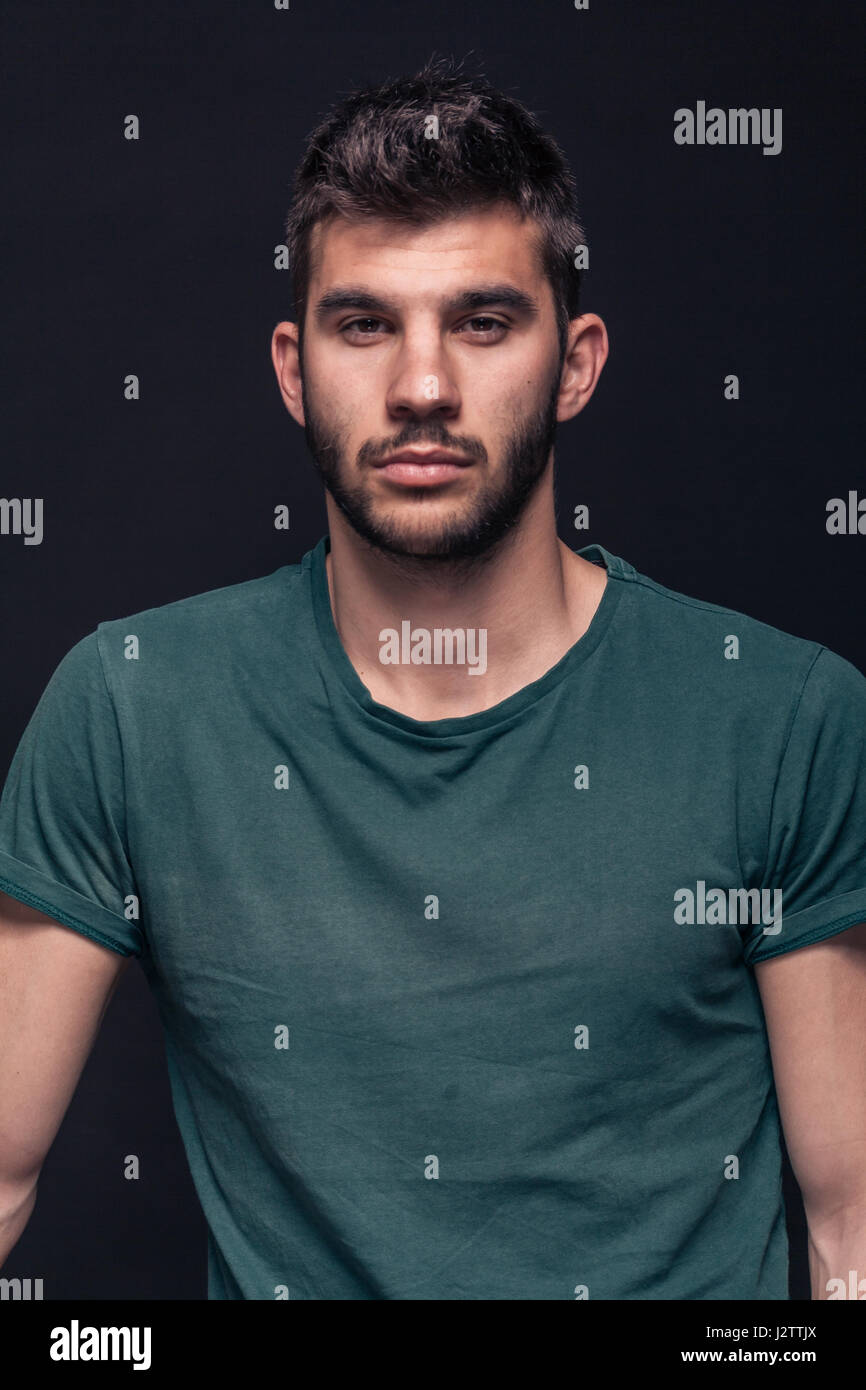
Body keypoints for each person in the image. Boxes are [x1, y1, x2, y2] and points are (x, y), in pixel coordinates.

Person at [1, 57, 865, 1302]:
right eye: (366, 324)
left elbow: (848, 1235)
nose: (421, 388)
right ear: (295, 369)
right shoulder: (131, 706)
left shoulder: (784, 719)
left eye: (481, 321)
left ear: (573, 362)